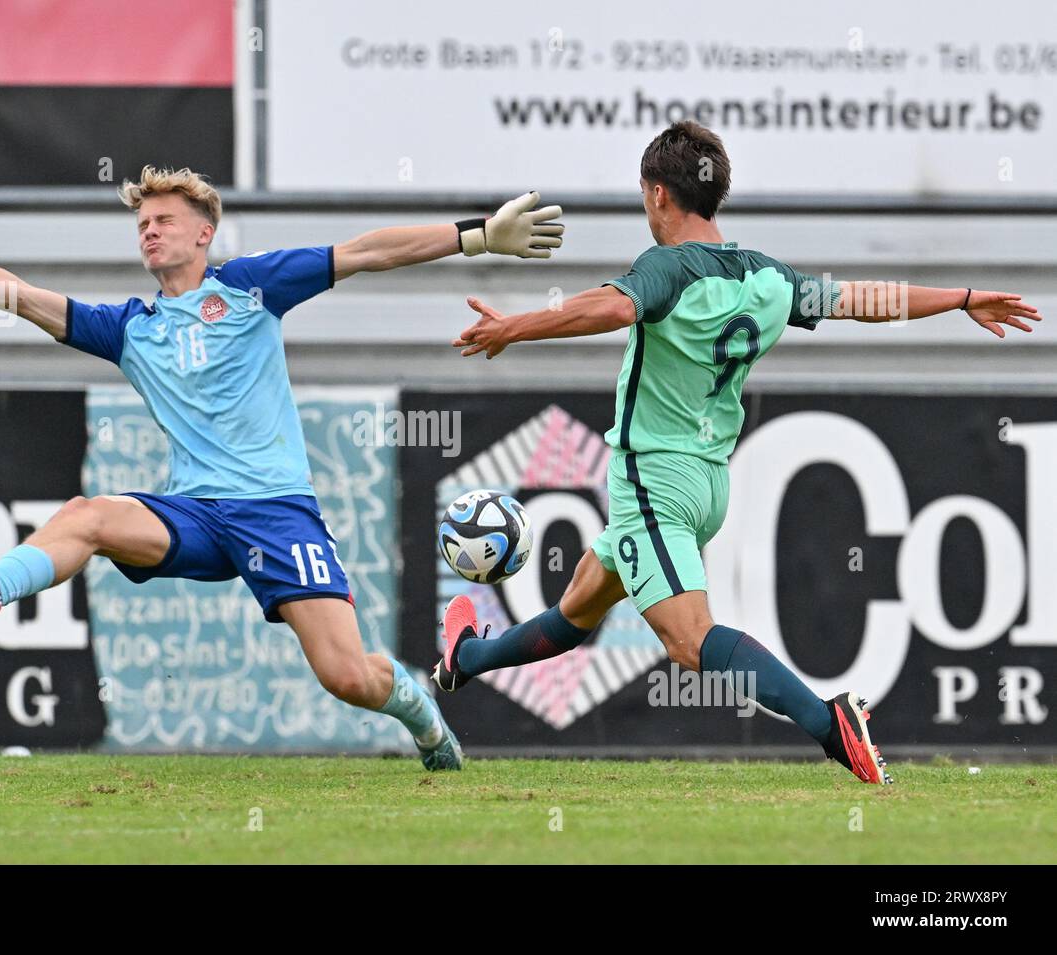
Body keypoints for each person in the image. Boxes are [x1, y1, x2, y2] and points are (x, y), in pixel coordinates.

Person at [0, 169, 565, 771]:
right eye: (142, 223)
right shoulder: (128, 328)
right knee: (88, 514)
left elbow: (369, 250)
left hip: (277, 511)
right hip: (196, 515)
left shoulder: (251, 285)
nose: (149, 229)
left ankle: (417, 706)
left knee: (348, 677)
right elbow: (16, 296)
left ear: (203, 234)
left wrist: (478, 236)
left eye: (164, 219)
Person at [435, 120, 1042, 784]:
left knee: (689, 639)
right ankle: (467, 660)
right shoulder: (768, 280)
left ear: (659, 194)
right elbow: (864, 300)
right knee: (580, 604)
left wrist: (513, 327)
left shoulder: (666, 268)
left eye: (644, 195)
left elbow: (611, 311)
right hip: (706, 485)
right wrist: (958, 298)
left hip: (652, 481)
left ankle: (829, 721)